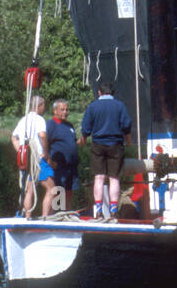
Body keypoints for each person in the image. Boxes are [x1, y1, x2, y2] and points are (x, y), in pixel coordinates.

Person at [80, 80, 133, 221]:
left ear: (99, 92)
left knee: (99, 177)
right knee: (114, 178)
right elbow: (127, 125)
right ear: (112, 93)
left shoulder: (93, 106)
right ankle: (113, 211)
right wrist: (128, 141)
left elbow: (86, 127)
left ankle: (98, 211)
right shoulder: (120, 106)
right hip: (116, 144)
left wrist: (84, 139)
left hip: (98, 144)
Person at [10, 96, 48, 219]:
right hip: (37, 159)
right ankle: (45, 217)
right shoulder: (39, 119)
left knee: (28, 190)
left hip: (25, 159)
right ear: (39, 106)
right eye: (44, 106)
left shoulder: (23, 120)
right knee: (52, 187)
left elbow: (14, 137)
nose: (44, 108)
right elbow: (42, 136)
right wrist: (46, 153)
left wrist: (21, 152)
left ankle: (27, 216)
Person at [46, 99, 80, 212]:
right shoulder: (51, 125)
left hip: (71, 165)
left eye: (66, 109)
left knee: (69, 192)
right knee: (57, 191)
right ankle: (52, 217)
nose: (66, 112)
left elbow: (72, 142)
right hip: (58, 165)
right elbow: (45, 143)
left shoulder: (69, 125)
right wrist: (49, 160)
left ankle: (67, 215)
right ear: (55, 111)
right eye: (62, 109)